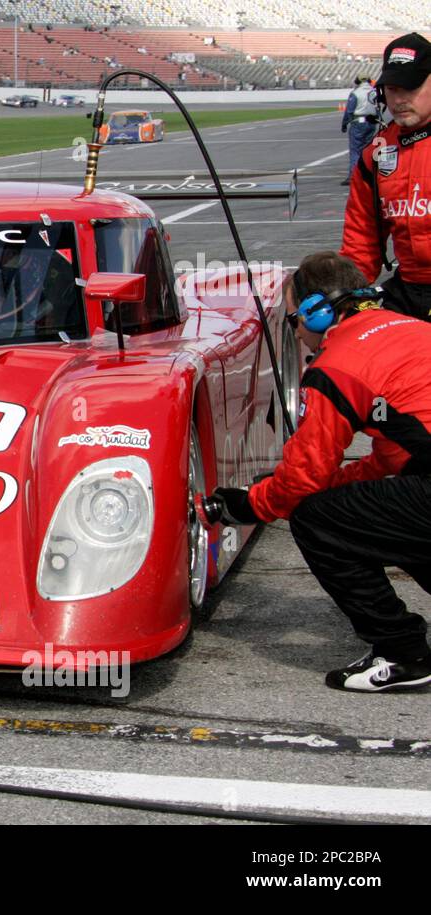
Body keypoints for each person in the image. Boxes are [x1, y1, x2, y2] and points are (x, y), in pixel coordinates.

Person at [210, 251, 431, 692]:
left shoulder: (338, 364)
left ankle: (401, 652)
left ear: (315, 312)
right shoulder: (416, 329)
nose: (295, 332)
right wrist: (325, 487)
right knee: (384, 509)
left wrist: (248, 504)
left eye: (292, 321)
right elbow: (392, 460)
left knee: (317, 519)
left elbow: (301, 482)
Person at [341, 33, 431, 320]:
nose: (400, 99)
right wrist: (345, 297)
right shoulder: (376, 154)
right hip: (406, 292)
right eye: (392, 89)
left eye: (410, 88)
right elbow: (361, 239)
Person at [341, 76, 379, 184]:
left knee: (355, 150)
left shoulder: (356, 93)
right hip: (371, 122)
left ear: (357, 81)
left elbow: (349, 111)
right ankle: (368, 174)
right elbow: (377, 108)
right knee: (368, 149)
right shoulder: (374, 92)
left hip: (358, 123)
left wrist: (344, 124)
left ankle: (354, 176)